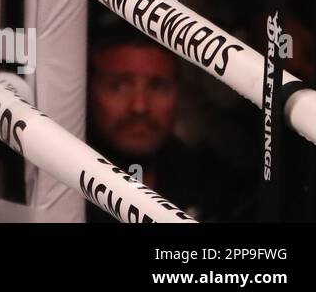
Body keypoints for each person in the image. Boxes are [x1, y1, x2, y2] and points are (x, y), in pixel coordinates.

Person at [86, 13, 247, 222]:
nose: (139, 107)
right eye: (118, 86)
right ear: (88, 91)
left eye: (157, 86)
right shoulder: (53, 182)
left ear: (179, 93)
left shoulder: (216, 187)